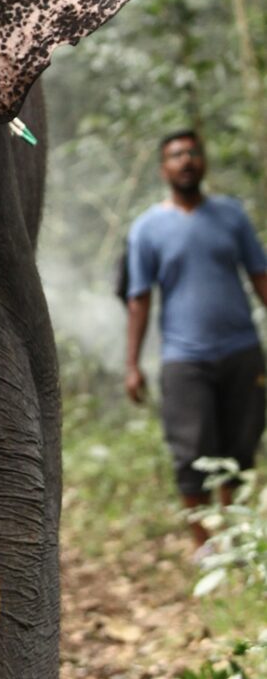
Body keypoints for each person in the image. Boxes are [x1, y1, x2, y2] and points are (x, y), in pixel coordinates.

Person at [125, 129, 267, 550]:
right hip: (184, 359)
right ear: (163, 168)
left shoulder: (231, 216)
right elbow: (139, 299)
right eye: (175, 155)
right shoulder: (148, 228)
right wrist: (132, 364)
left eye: (192, 152)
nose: (186, 160)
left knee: (240, 448)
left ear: (203, 162)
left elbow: (260, 276)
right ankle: (205, 547)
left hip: (241, 352)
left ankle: (237, 540)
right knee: (191, 453)